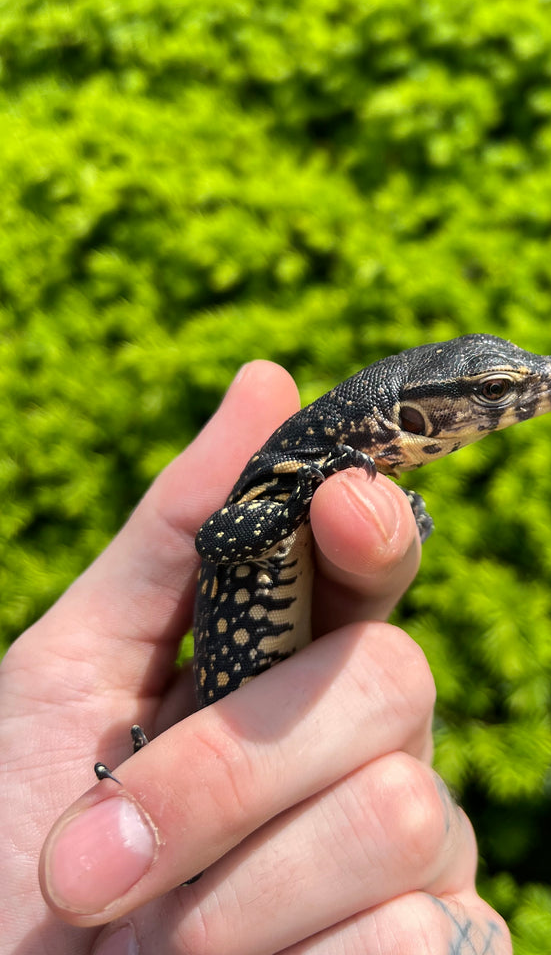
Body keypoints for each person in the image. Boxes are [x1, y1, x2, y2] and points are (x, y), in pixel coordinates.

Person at [0, 360, 511, 954]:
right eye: (494, 392)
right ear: (404, 415)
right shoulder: (287, 480)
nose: (513, 400)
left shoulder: (322, 476)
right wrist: (304, 495)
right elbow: (215, 538)